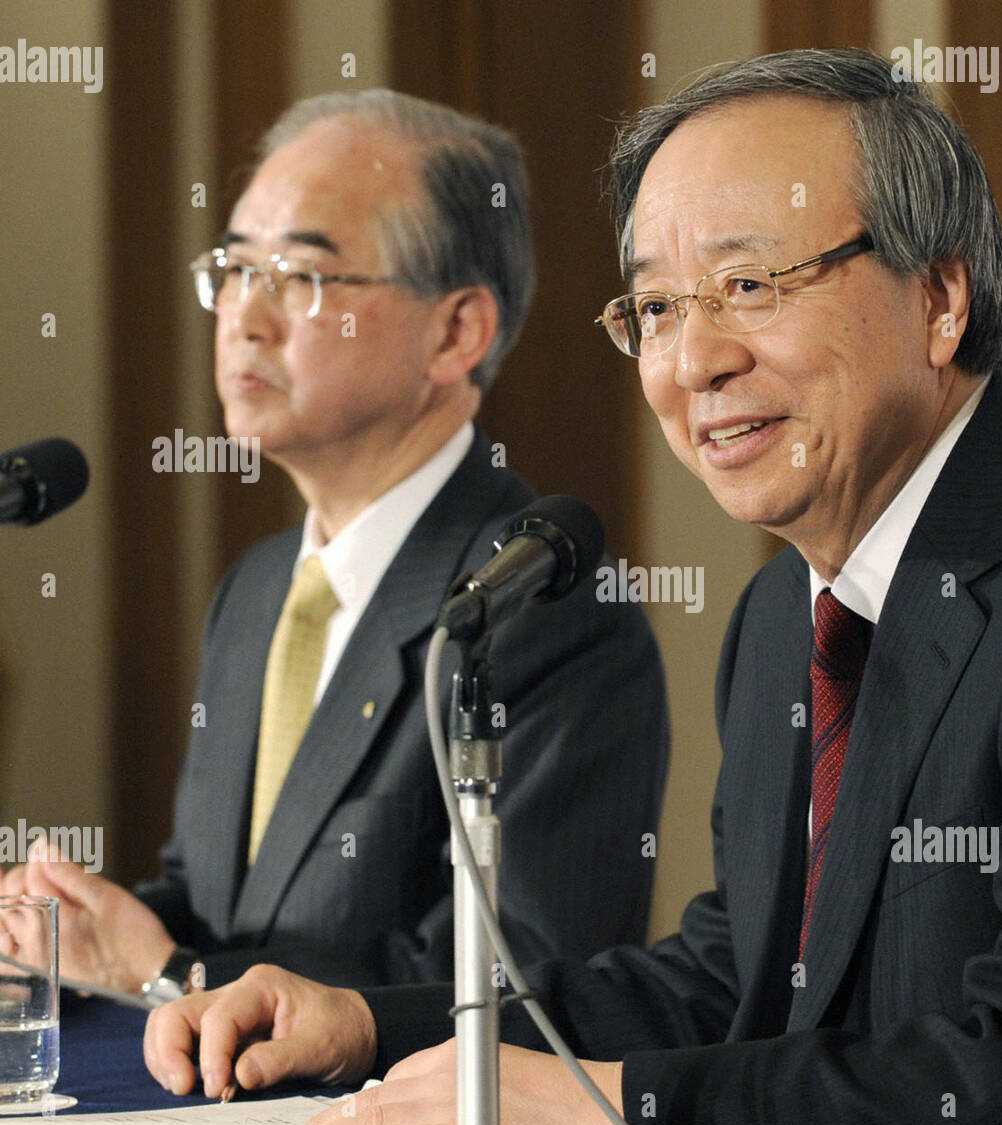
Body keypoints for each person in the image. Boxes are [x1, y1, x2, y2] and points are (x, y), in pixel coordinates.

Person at [142, 51, 1002, 1125]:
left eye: (749, 285)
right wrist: (365, 1022)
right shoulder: (776, 616)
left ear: (940, 297)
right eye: (652, 305)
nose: (691, 357)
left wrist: (618, 1106)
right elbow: (729, 977)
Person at [2, 90, 669, 993]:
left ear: (455, 331)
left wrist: (169, 973)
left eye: (302, 276)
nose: (244, 315)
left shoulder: (543, 602)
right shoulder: (258, 586)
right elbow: (217, 899)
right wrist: (75, 930)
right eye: (234, 269)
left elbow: (515, 981)